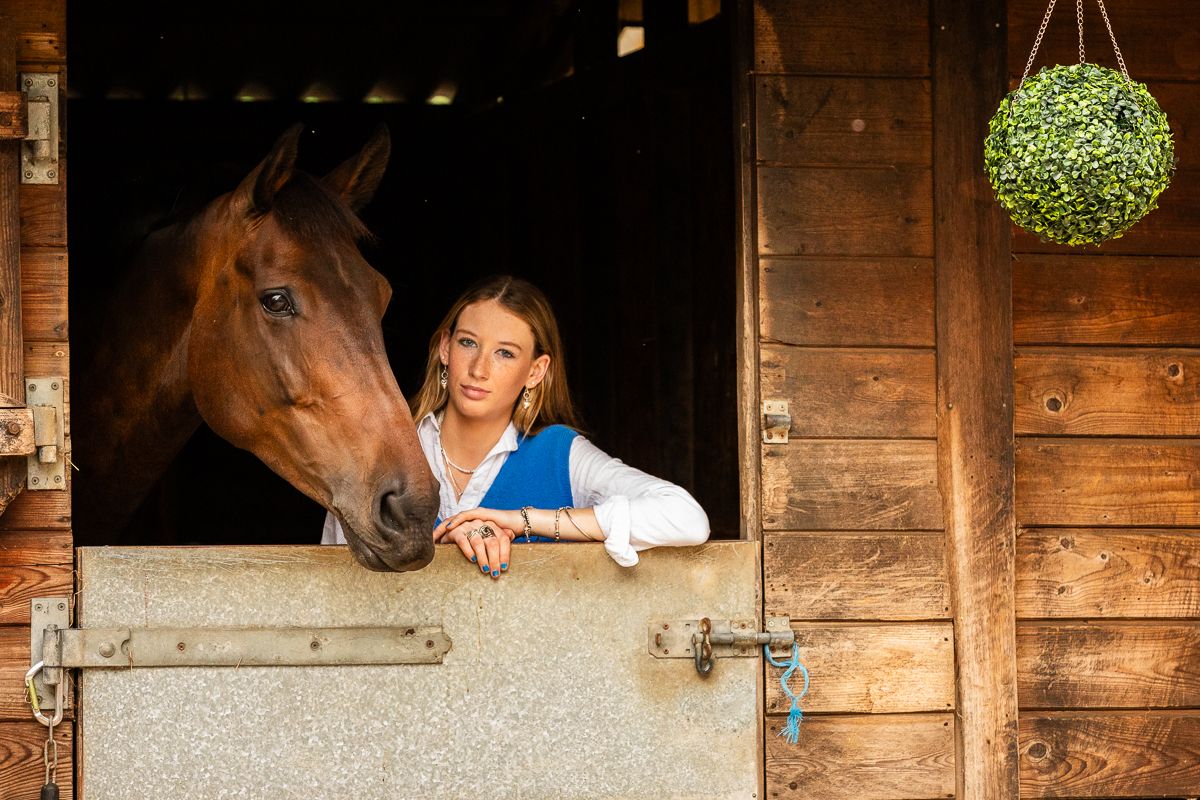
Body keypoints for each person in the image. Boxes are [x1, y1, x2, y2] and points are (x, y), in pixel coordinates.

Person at [321, 275, 709, 577]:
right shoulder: (377, 454)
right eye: (468, 343)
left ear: (536, 371)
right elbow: (332, 582)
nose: (479, 369)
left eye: (505, 353)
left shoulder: (559, 454)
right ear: (445, 348)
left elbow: (686, 519)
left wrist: (520, 520)